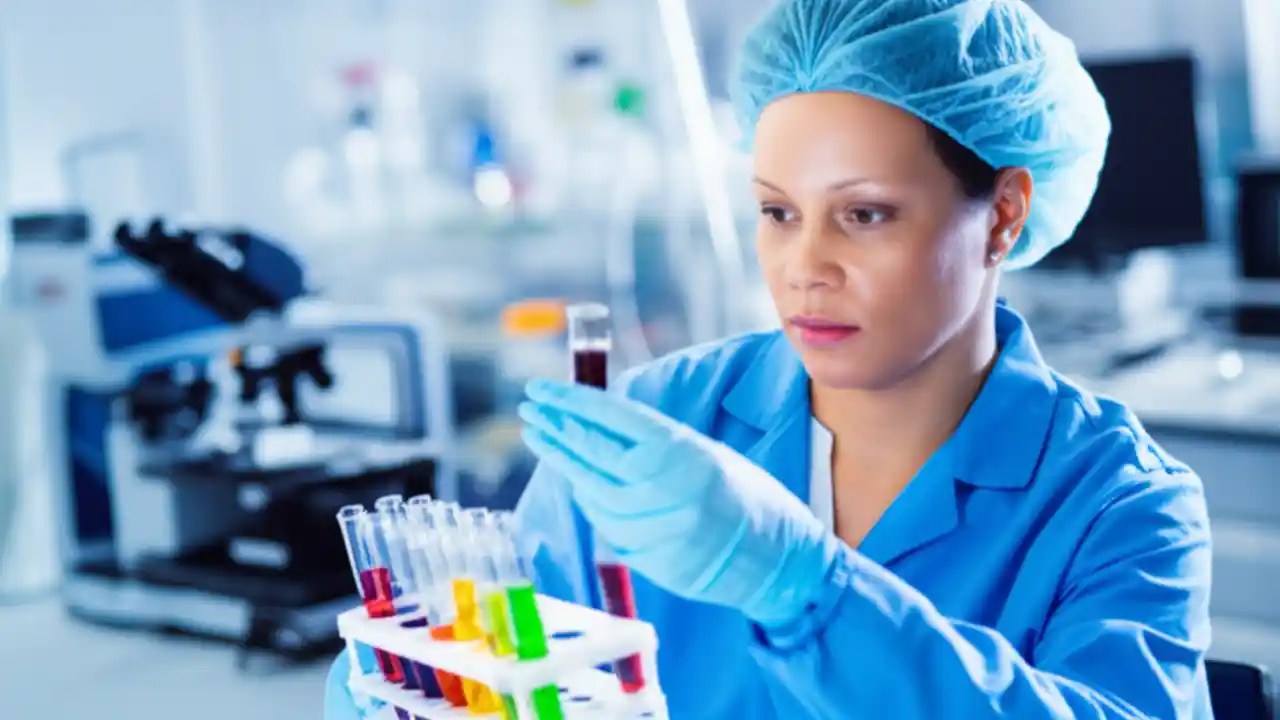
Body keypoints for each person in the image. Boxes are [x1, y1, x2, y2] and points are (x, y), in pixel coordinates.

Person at [326, 0, 1212, 717]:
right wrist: (398, 688)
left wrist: (805, 589)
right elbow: (490, 659)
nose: (804, 268)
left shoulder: (1120, 504)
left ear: (1005, 213)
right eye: (778, 212)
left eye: (864, 214)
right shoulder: (660, 420)